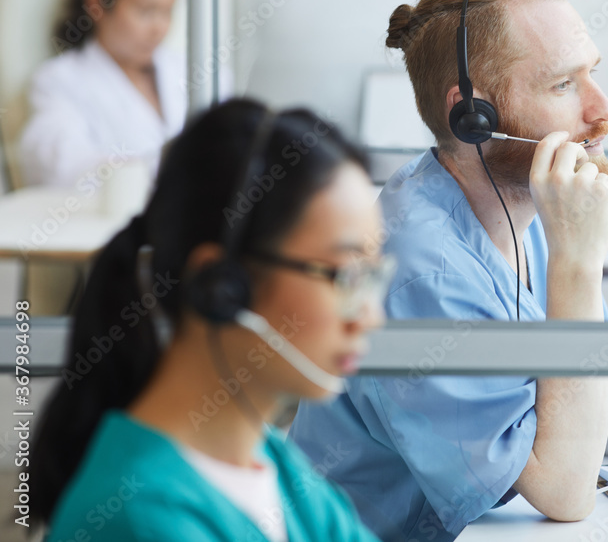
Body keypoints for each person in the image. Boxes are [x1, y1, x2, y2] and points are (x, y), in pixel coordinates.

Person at [289, 0, 608, 542]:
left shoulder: (522, 203)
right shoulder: (421, 269)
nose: (604, 110)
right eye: (563, 85)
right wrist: (578, 266)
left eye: (594, 75)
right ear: (473, 116)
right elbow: (562, 491)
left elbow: (591, 386)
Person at [34, 99, 388, 541]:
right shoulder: (141, 519)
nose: (370, 318)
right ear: (221, 285)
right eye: (344, 275)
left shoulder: (275, 466)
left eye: (372, 278)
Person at [19, 0, 187, 188]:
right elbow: (61, 168)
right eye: (146, 11)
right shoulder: (58, 82)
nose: (160, 28)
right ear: (97, 4)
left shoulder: (184, 69)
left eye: (167, 11)